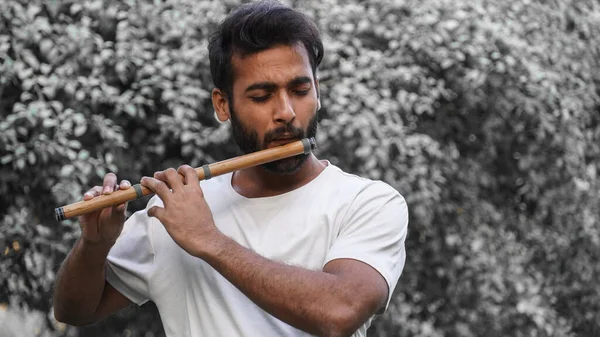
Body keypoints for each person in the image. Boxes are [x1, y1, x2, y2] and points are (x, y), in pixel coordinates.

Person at [53, 1, 408, 336]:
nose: (285, 111)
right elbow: (75, 311)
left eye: (300, 89)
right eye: (261, 96)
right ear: (223, 105)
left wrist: (208, 239)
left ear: (317, 92)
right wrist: (94, 245)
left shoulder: (368, 202)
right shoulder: (173, 212)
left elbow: (341, 311)